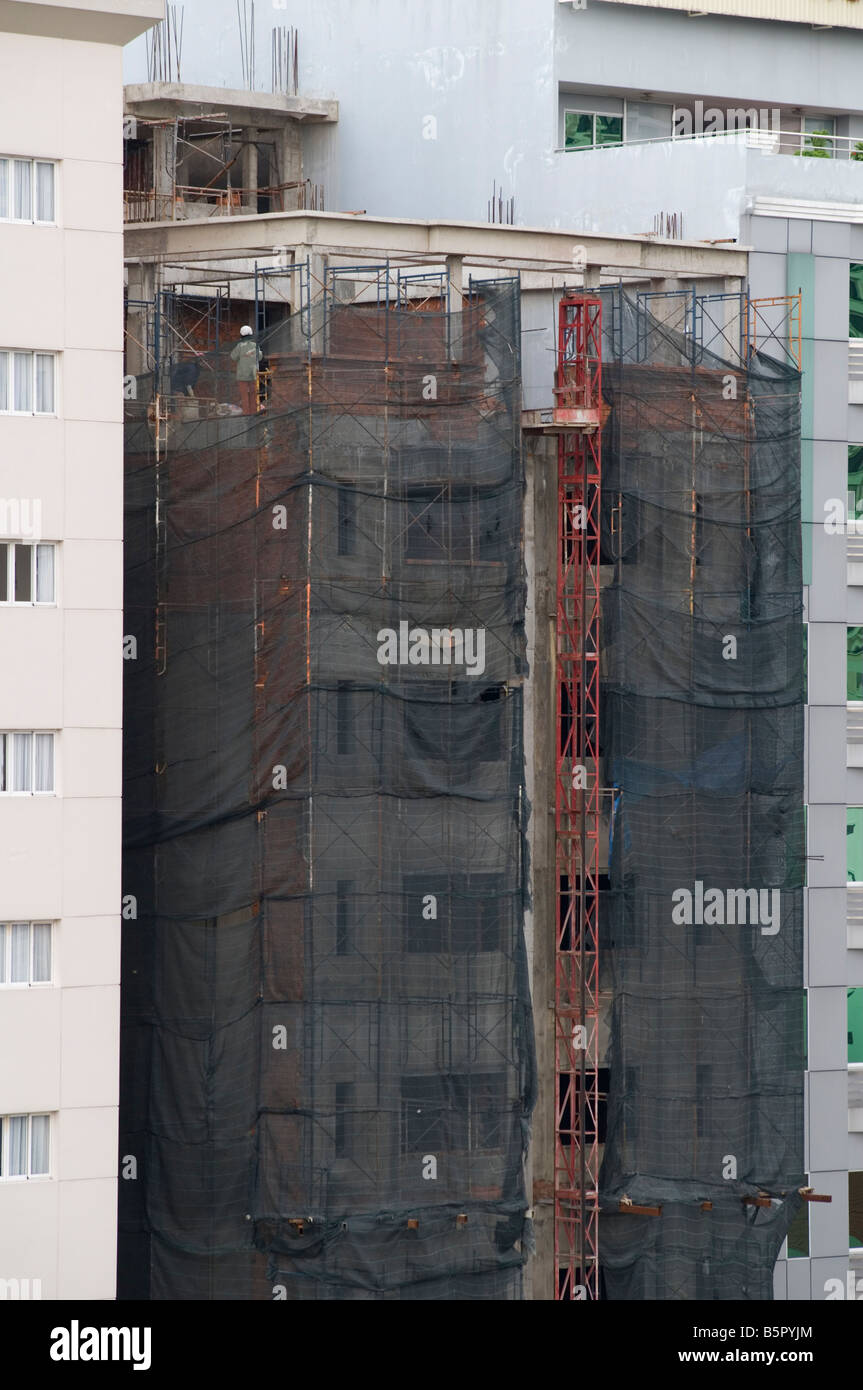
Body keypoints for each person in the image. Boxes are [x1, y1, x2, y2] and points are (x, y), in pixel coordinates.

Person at [230, 325, 262, 413]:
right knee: (253, 394)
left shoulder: (239, 346)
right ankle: (253, 413)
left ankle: (246, 414)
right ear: (251, 334)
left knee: (244, 396)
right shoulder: (255, 345)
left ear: (241, 334)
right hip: (253, 375)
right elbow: (259, 357)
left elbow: (233, 357)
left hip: (242, 375)